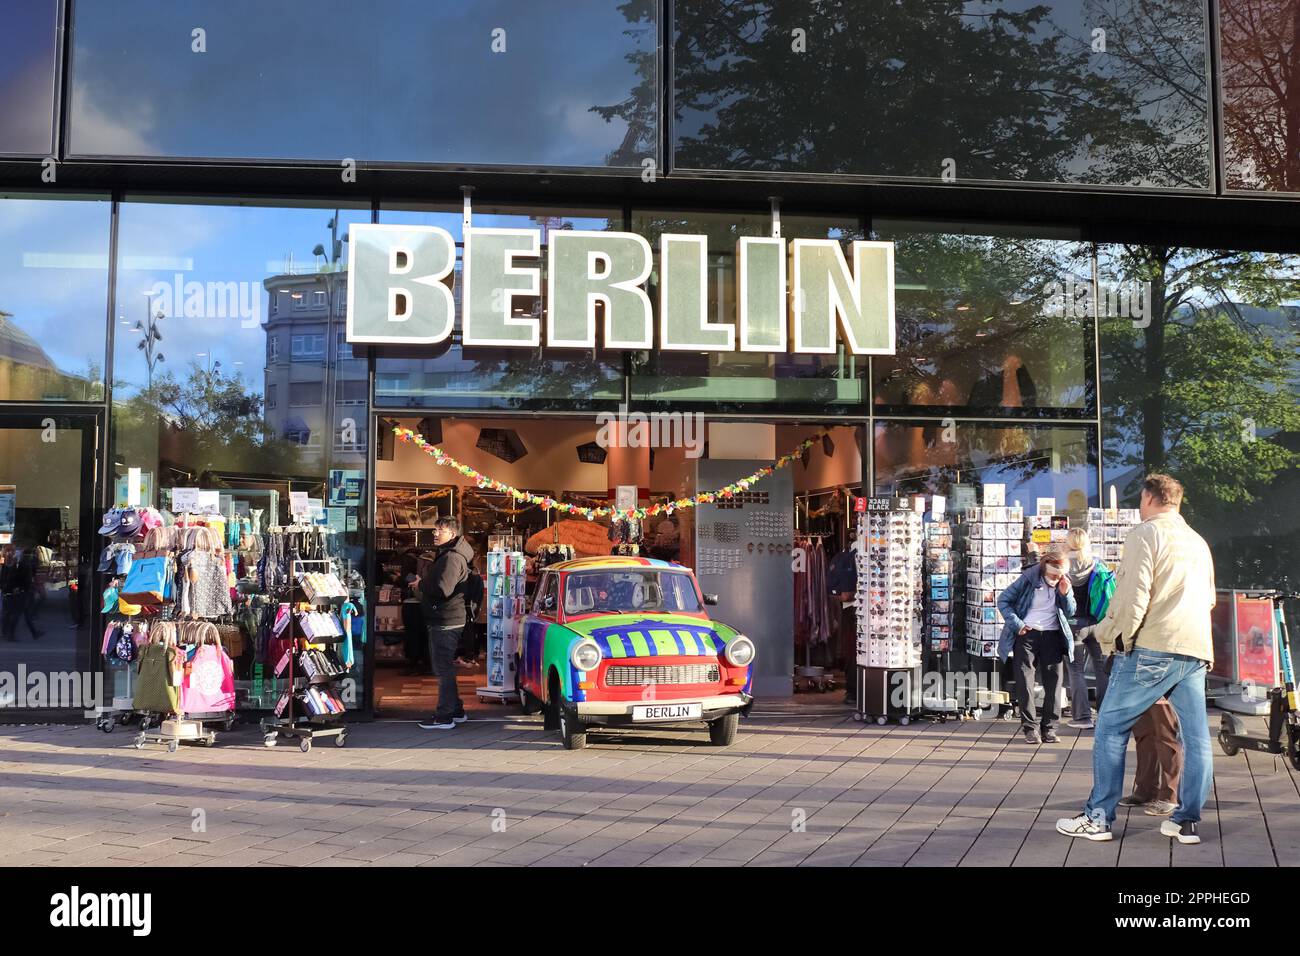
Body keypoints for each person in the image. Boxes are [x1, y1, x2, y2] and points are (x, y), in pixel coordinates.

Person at [1056, 474, 1216, 846]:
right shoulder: (1198, 541)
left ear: (1148, 498)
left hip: (1152, 647)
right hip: (1194, 648)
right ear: (1177, 501)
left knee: (1110, 729)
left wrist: (1107, 635)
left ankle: (1098, 817)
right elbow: (1209, 599)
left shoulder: (1144, 535)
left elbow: (1132, 599)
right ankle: (1186, 820)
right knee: (1196, 738)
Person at [997, 546, 1076, 744]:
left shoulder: (1064, 582)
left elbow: (1070, 611)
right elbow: (1003, 600)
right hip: (1027, 635)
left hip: (1052, 635)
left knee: (1054, 683)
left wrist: (1065, 593)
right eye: (1053, 575)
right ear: (1045, 568)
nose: (1056, 579)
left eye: (1059, 576)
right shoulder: (1028, 579)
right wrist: (1018, 625)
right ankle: (1030, 728)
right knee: (1025, 683)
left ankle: (1050, 728)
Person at [417, 517, 475, 731]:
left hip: (446, 620)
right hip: (447, 618)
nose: (434, 533)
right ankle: (456, 710)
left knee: (443, 669)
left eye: (439, 530)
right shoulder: (452, 555)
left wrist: (421, 584)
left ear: (452, 534)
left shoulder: (451, 558)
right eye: (435, 529)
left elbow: (443, 589)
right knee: (445, 668)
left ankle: (444, 716)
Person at [1064, 529, 1115, 730]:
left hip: (1073, 624)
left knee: (1075, 671)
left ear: (1068, 543)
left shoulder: (1063, 565)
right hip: (1096, 624)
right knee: (1102, 670)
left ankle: (1082, 718)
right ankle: (1104, 715)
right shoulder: (1097, 563)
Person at [1116, 698, 1182, 817]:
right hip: (1139, 688)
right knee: (1144, 736)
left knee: (1166, 737)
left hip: (1163, 686)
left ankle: (1170, 795)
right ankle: (1146, 790)